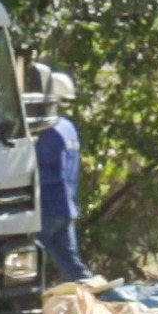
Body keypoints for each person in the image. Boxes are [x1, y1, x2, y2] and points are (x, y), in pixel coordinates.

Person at [36, 72, 93, 283]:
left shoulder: (46, 131)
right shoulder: (68, 127)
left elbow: (46, 172)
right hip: (66, 206)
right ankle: (101, 300)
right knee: (72, 266)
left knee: (28, 264)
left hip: (46, 208)